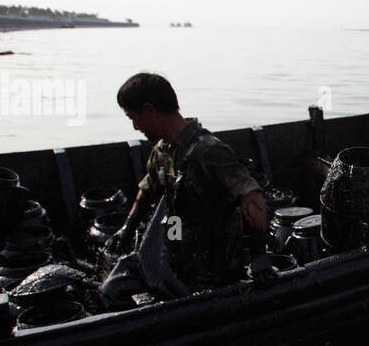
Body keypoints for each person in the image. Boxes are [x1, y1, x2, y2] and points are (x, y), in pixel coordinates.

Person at [110, 72, 268, 290]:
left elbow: (251, 195)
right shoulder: (163, 152)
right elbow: (147, 190)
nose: (136, 127)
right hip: (180, 253)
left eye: (132, 118)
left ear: (149, 110)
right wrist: (127, 229)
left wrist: (259, 256)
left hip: (215, 266)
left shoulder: (208, 152)